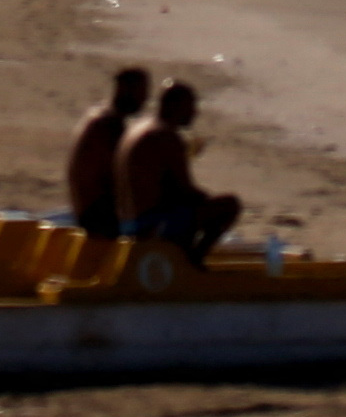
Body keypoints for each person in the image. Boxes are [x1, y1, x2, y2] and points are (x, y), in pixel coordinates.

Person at [113, 77, 244, 266]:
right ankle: (193, 262)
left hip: (126, 223)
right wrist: (210, 204)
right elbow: (185, 190)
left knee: (192, 208)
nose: (194, 113)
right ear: (175, 106)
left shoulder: (140, 127)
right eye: (190, 106)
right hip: (150, 226)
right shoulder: (166, 136)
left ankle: (183, 254)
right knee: (229, 205)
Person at [62, 65, 150, 238]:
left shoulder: (99, 116)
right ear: (125, 89)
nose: (144, 100)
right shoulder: (109, 124)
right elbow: (123, 174)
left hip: (87, 208)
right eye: (141, 93)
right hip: (99, 215)